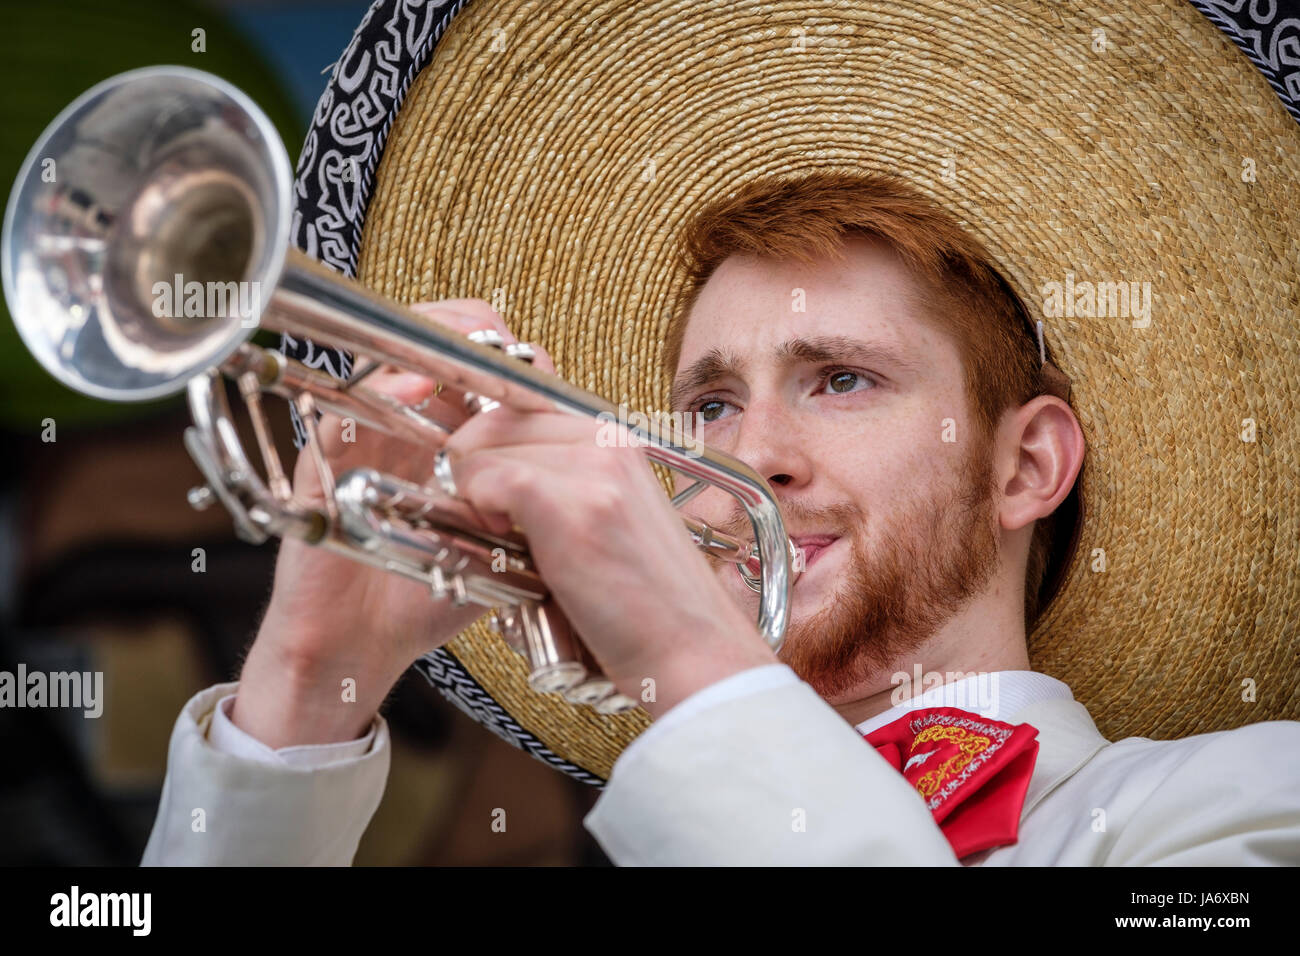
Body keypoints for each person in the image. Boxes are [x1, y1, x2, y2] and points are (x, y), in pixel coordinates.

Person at [139, 171, 1300, 865]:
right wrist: (302, 684)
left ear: (1023, 467)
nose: (747, 457)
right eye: (707, 403)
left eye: (840, 377)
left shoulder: (1244, 801)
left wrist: (689, 651)